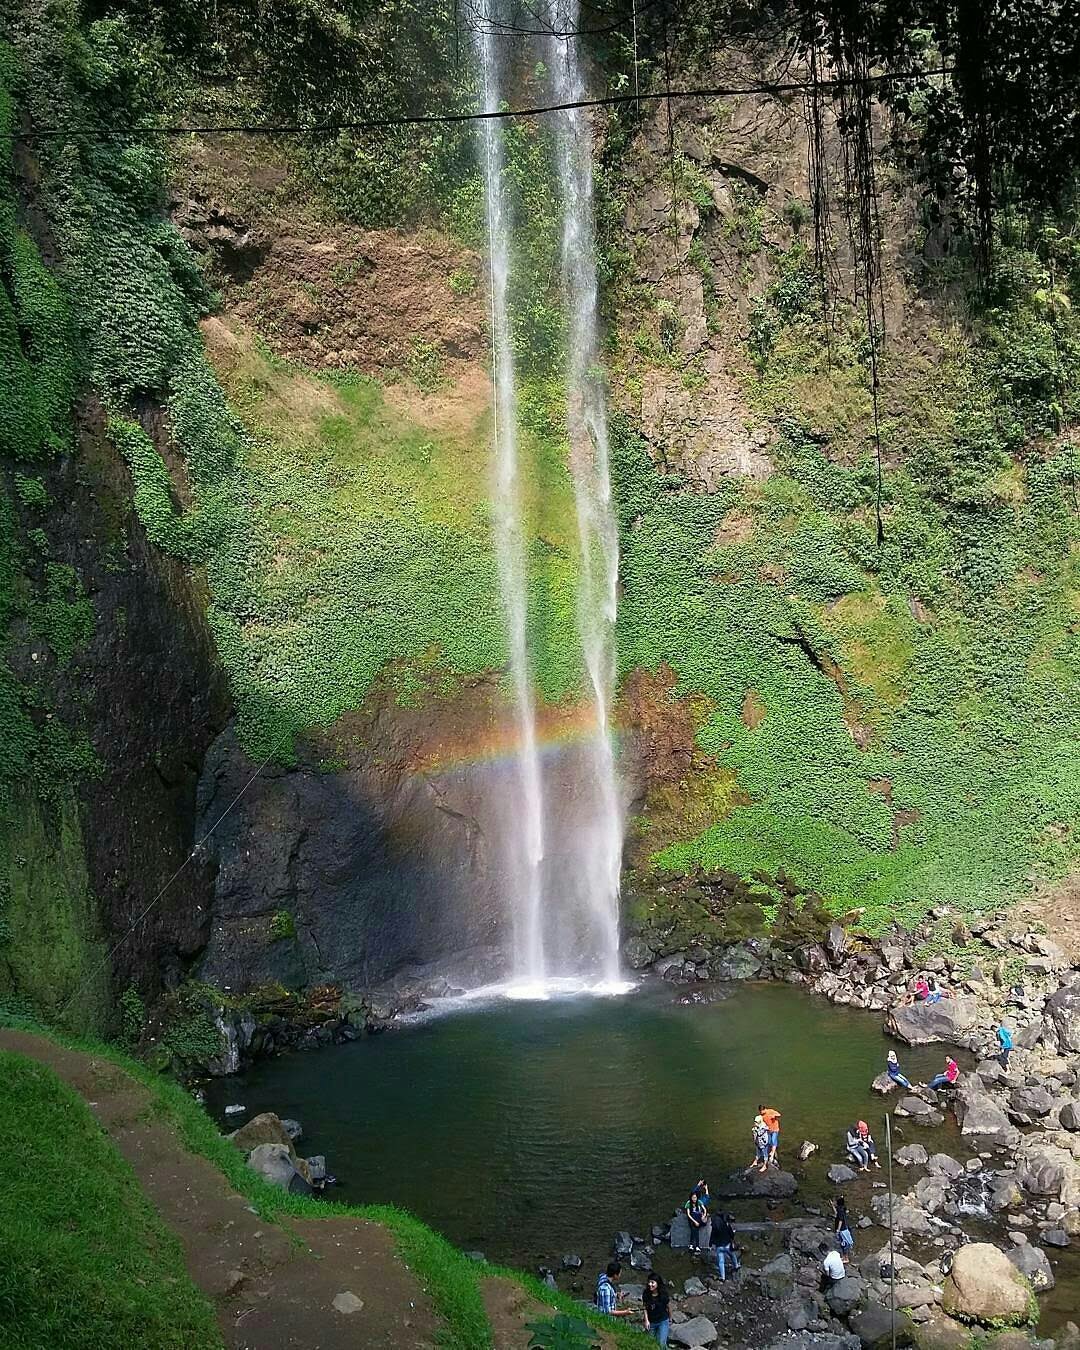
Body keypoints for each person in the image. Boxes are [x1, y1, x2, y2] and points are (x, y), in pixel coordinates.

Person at [642, 1271, 671, 1345]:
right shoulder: (646, 1294)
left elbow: (668, 1306)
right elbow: (645, 1307)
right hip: (651, 1321)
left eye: (652, 1282)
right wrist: (646, 1320)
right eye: (649, 1282)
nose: (650, 1284)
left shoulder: (663, 1294)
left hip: (663, 1320)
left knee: (661, 1343)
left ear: (658, 1283)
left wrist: (670, 1318)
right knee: (649, 1344)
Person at [712, 1210, 740, 1282]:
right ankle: (736, 1266)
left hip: (719, 1246)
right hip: (727, 1245)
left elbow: (712, 1236)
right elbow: (731, 1235)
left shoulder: (715, 1225)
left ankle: (723, 1277)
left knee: (721, 1262)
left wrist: (710, 1244)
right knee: (732, 1255)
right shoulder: (726, 1224)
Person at [759, 1103, 781, 1167]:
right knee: (768, 1142)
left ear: (764, 1109)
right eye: (760, 1112)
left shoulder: (770, 1111)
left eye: (762, 1111)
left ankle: (772, 1153)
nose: (761, 1113)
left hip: (775, 1129)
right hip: (768, 1130)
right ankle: (770, 1153)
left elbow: (779, 1114)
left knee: (774, 1140)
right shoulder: (761, 1116)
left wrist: (775, 1116)